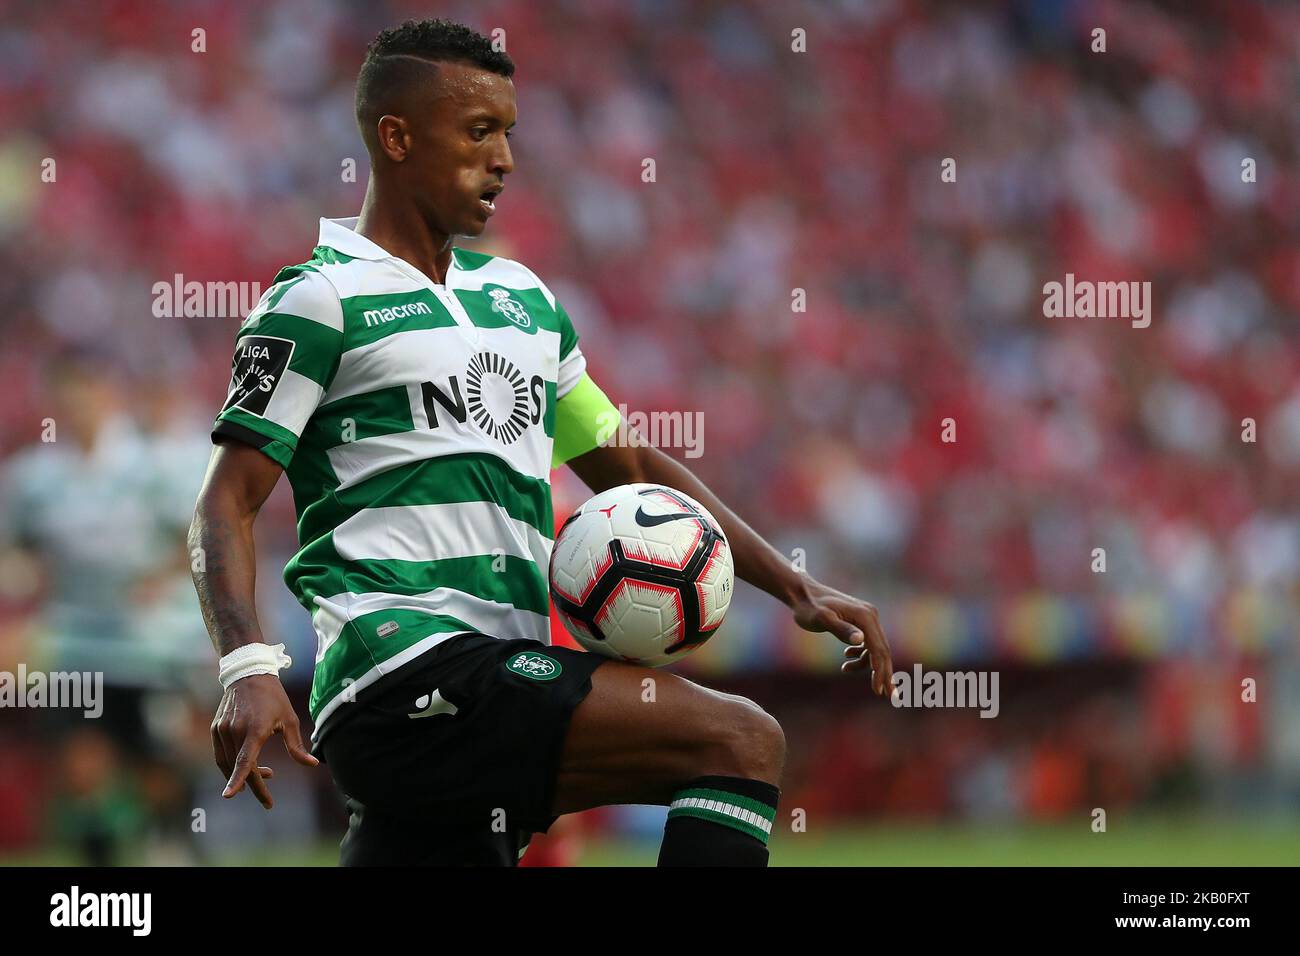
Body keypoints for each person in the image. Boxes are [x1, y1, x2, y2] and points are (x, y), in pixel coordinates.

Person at [189, 17, 893, 867]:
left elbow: (626, 467)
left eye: (509, 134)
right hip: (403, 665)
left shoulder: (520, 300)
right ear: (397, 136)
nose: (505, 160)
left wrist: (795, 586)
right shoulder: (319, 300)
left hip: (492, 676)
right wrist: (247, 668)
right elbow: (224, 504)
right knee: (739, 743)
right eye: (479, 131)